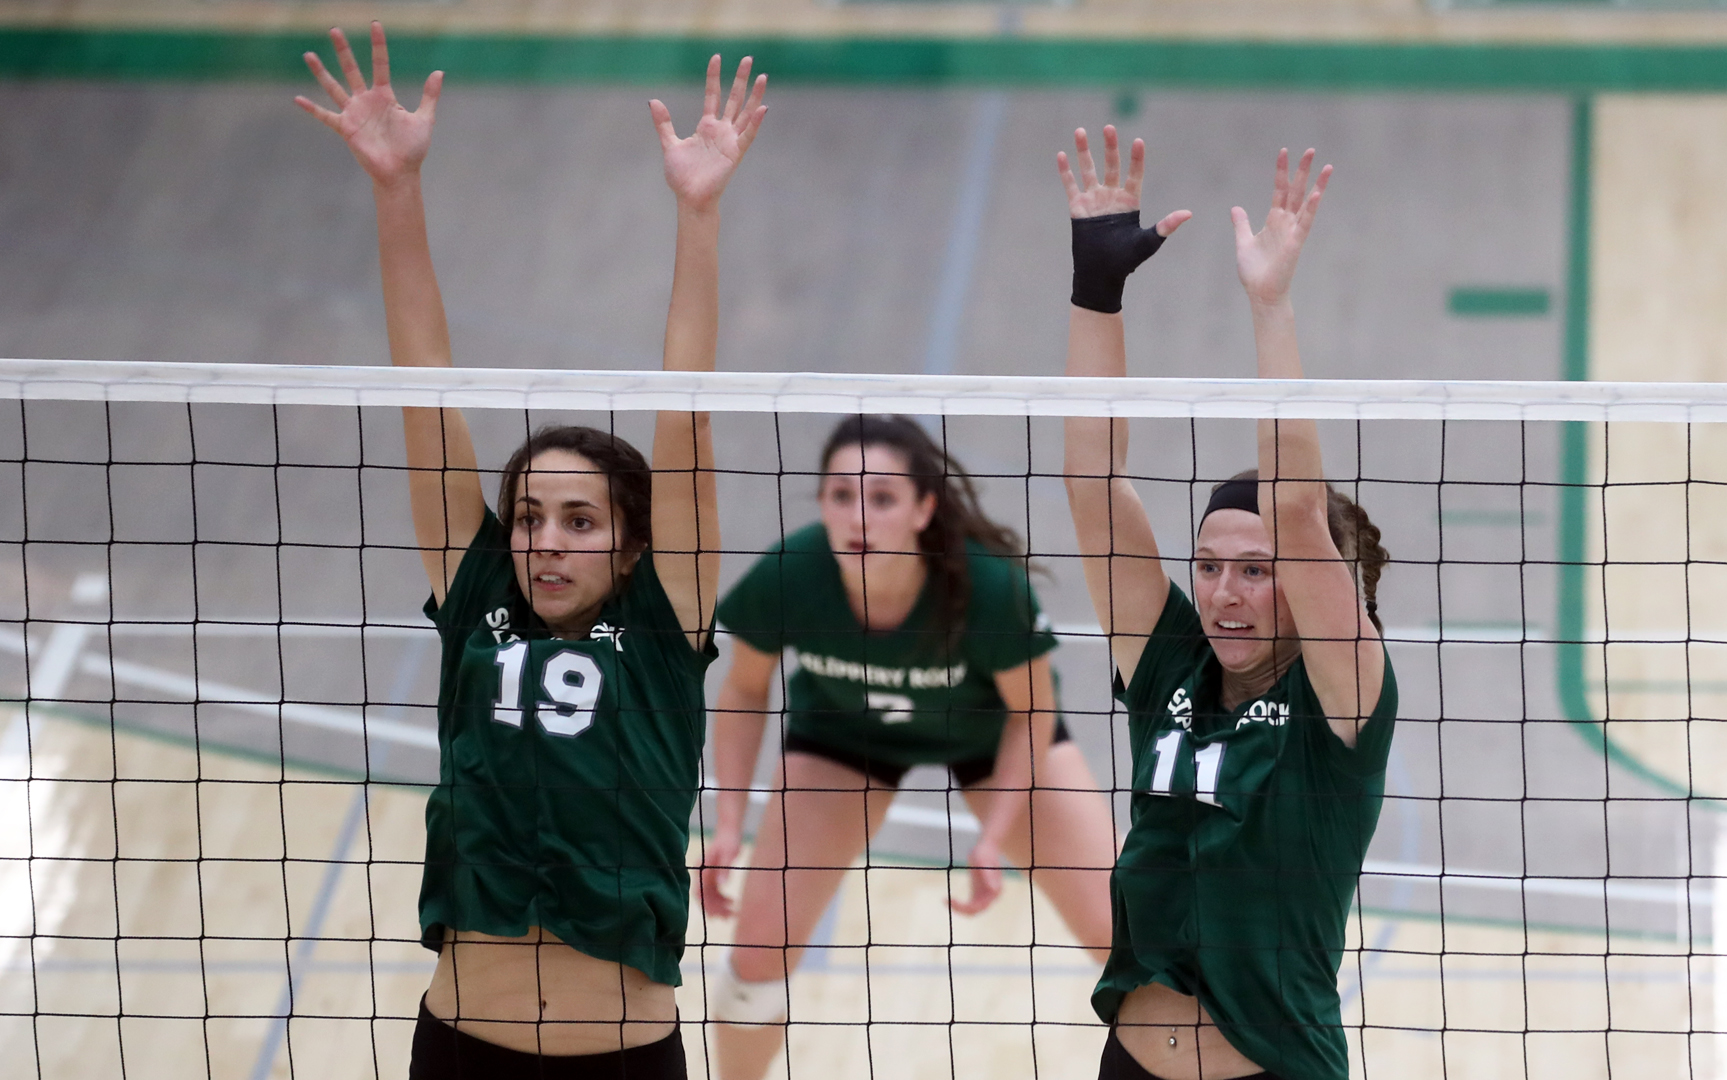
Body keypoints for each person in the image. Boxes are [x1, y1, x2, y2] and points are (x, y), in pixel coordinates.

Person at [296, 24, 766, 1077]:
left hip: (621, 1057)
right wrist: (395, 192)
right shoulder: (479, 599)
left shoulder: (660, 628)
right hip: (460, 1048)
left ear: (635, 545)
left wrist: (699, 213)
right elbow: (426, 390)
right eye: (529, 516)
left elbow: (684, 425)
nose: (545, 541)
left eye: (581, 521)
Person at [1056, 125, 1395, 1080]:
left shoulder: (1347, 695)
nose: (1224, 593)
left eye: (1257, 570)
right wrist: (1097, 289)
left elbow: (1294, 507)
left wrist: (1270, 304)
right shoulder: (1169, 662)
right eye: (1209, 566)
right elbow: (1092, 482)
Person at [698, 413, 1118, 1080]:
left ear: (924, 508)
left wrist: (993, 837)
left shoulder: (987, 587)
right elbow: (745, 690)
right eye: (840, 494)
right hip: (844, 737)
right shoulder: (795, 571)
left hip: (992, 733)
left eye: (883, 497)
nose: (857, 515)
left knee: (1128, 942)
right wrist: (726, 823)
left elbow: (1032, 712)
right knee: (755, 961)